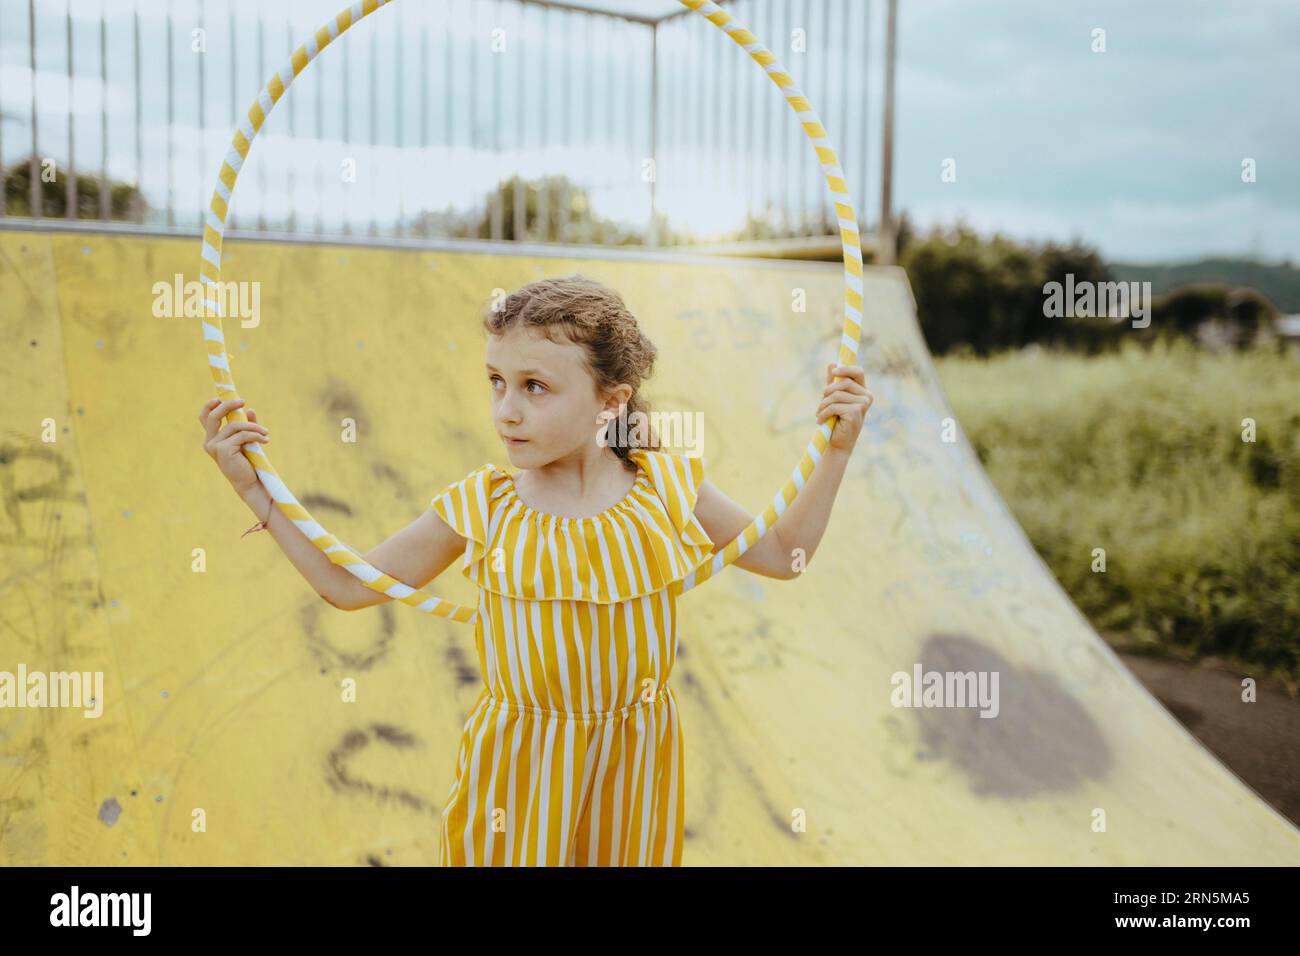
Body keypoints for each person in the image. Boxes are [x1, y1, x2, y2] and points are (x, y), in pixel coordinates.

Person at [198, 274, 874, 865]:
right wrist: (257, 493)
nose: (506, 409)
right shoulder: (485, 506)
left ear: (612, 400)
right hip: (519, 774)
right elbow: (347, 584)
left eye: (534, 387)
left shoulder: (667, 483)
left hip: (635, 768)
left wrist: (836, 451)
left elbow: (784, 555)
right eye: (496, 382)